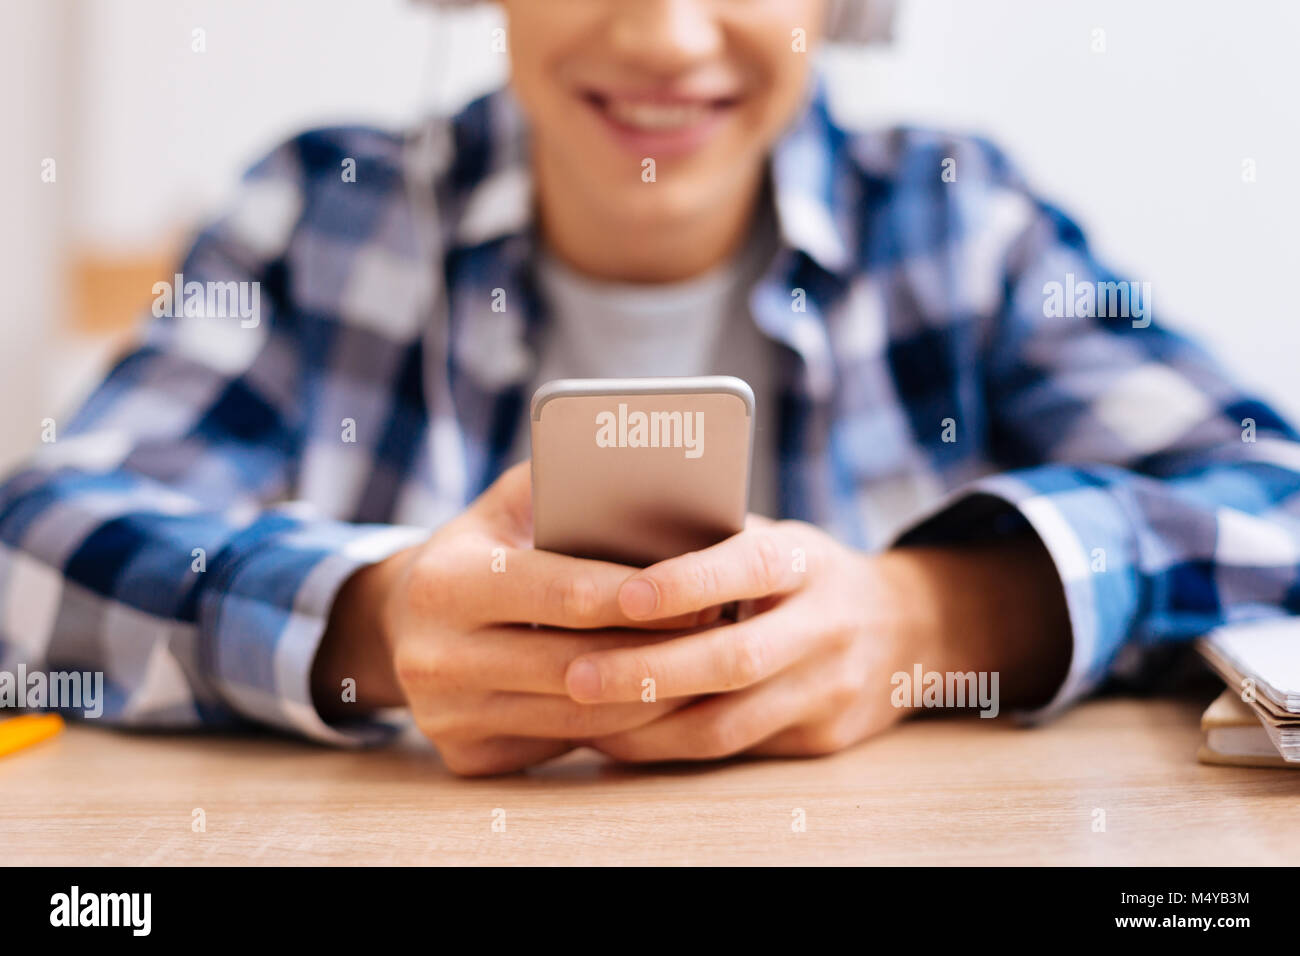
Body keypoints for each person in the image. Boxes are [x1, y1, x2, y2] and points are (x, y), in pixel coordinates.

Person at [2, 0, 1298, 776]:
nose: (668, 36)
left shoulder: (960, 219)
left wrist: (935, 621)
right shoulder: (322, 214)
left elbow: (1275, 505)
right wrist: (369, 625)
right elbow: (36, 543)